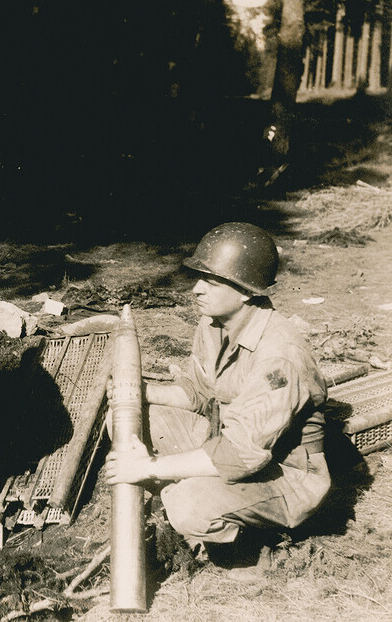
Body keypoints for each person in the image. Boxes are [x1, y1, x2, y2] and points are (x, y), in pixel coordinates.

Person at [105, 222, 330, 574]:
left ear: (246, 292)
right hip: (229, 443)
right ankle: (192, 491)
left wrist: (149, 467)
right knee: (129, 418)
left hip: (286, 475)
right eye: (199, 278)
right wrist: (141, 393)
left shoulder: (279, 356)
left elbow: (242, 455)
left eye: (212, 281)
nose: (196, 289)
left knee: (188, 504)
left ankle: (252, 544)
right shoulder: (214, 323)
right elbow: (198, 392)